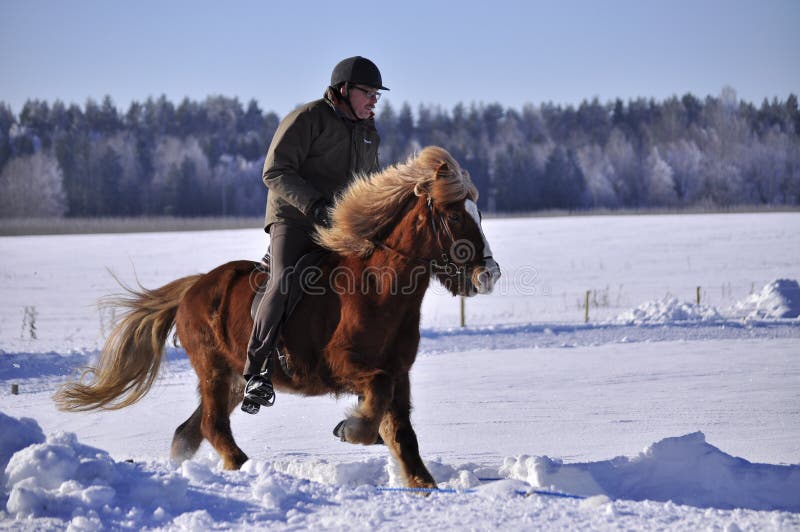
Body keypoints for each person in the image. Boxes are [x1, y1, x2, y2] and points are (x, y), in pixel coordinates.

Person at [242, 56, 389, 414]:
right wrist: (315, 206)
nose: (374, 100)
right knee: (285, 278)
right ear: (344, 90)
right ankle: (257, 371)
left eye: (376, 95)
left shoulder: (369, 133)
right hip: (293, 218)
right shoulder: (308, 119)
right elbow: (274, 170)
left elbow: (369, 185)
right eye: (367, 93)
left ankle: (366, 376)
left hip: (340, 224)